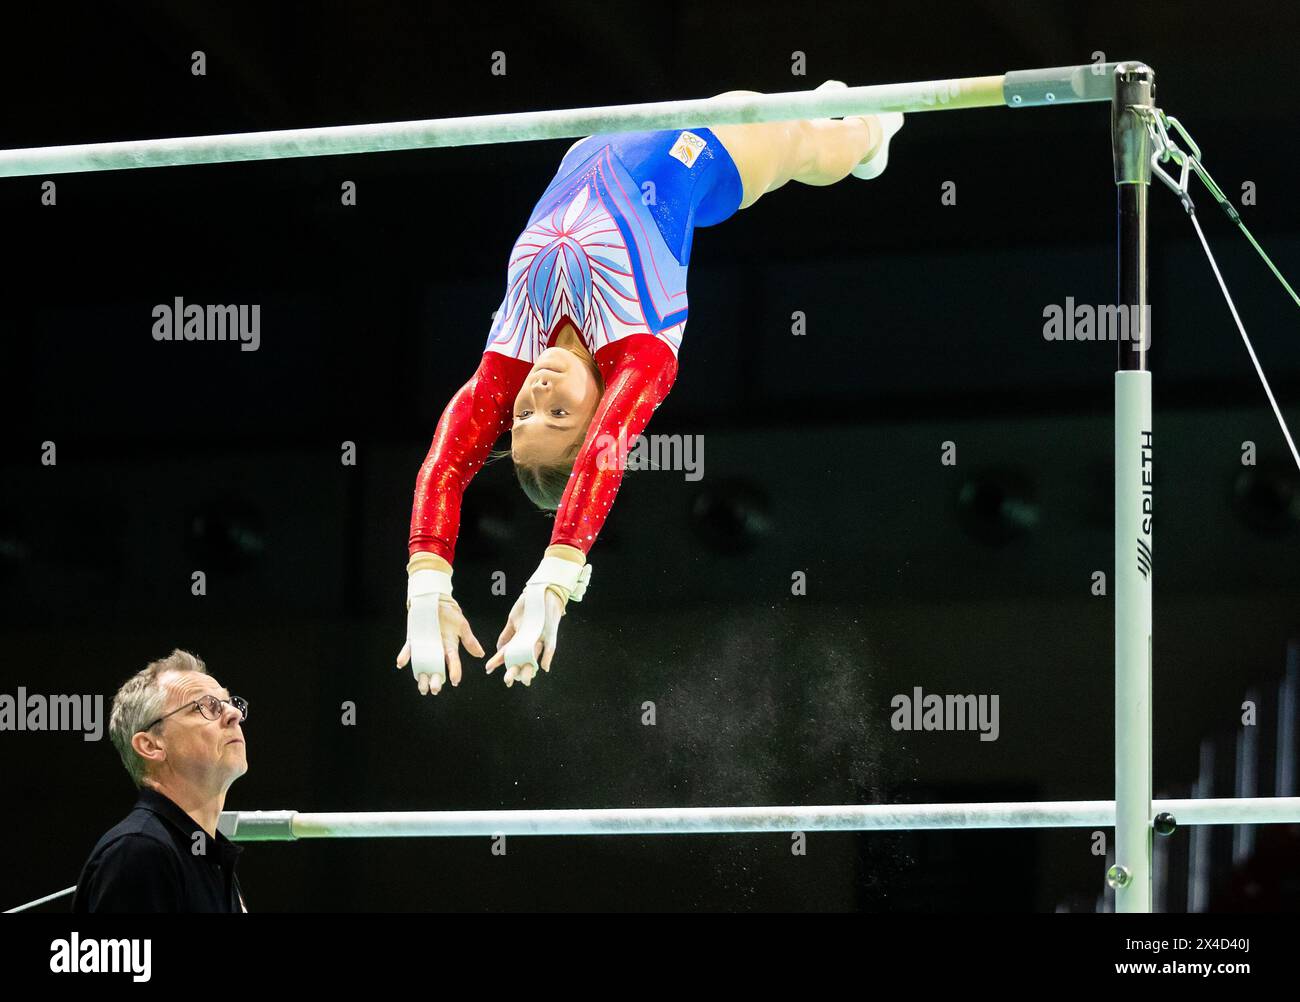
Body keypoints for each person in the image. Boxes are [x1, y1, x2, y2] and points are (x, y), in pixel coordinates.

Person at [397, 83, 906, 695]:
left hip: (612, 140)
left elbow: (444, 466)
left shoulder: (512, 355)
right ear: (593, 418)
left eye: (525, 412)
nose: (535, 389)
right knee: (798, 141)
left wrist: (427, 581)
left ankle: (830, 114)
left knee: (754, 101)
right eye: (558, 412)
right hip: (708, 156)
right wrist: (555, 578)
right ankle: (871, 137)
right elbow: (604, 454)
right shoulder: (641, 356)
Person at [73, 649, 250, 912]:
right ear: (151, 745)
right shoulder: (139, 851)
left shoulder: (204, 855)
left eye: (228, 703)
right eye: (206, 706)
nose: (233, 714)